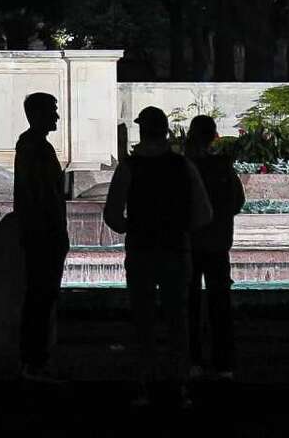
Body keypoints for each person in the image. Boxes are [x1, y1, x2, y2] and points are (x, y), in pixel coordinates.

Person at [103, 106, 212, 408]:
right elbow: (204, 212)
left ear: (141, 131)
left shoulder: (129, 166)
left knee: (143, 320)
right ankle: (179, 386)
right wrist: (180, 228)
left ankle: (145, 385)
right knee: (178, 319)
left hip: (141, 250)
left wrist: (131, 227)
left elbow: (112, 214)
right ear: (165, 131)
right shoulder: (183, 166)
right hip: (176, 249)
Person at [13, 91, 69, 382]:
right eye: (52, 111)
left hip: (41, 232)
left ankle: (34, 358)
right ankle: (34, 360)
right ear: (38, 115)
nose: (57, 117)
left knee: (41, 296)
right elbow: (40, 194)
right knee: (40, 296)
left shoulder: (33, 146)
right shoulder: (34, 147)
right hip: (43, 233)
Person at [184, 114, 245, 380]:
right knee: (220, 303)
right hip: (218, 241)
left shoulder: (186, 166)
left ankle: (193, 358)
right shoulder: (222, 167)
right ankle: (223, 363)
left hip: (191, 242)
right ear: (213, 136)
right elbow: (237, 201)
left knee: (191, 303)